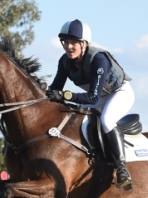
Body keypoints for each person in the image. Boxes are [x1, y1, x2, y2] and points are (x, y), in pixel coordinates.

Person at [46, 19, 135, 189]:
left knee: (107, 120)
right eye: (66, 42)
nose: (69, 47)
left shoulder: (98, 59)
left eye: (73, 43)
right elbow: (56, 88)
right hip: (100, 96)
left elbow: (92, 98)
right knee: (77, 119)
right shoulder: (64, 61)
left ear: (84, 43)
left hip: (119, 93)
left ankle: (122, 169)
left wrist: (65, 95)